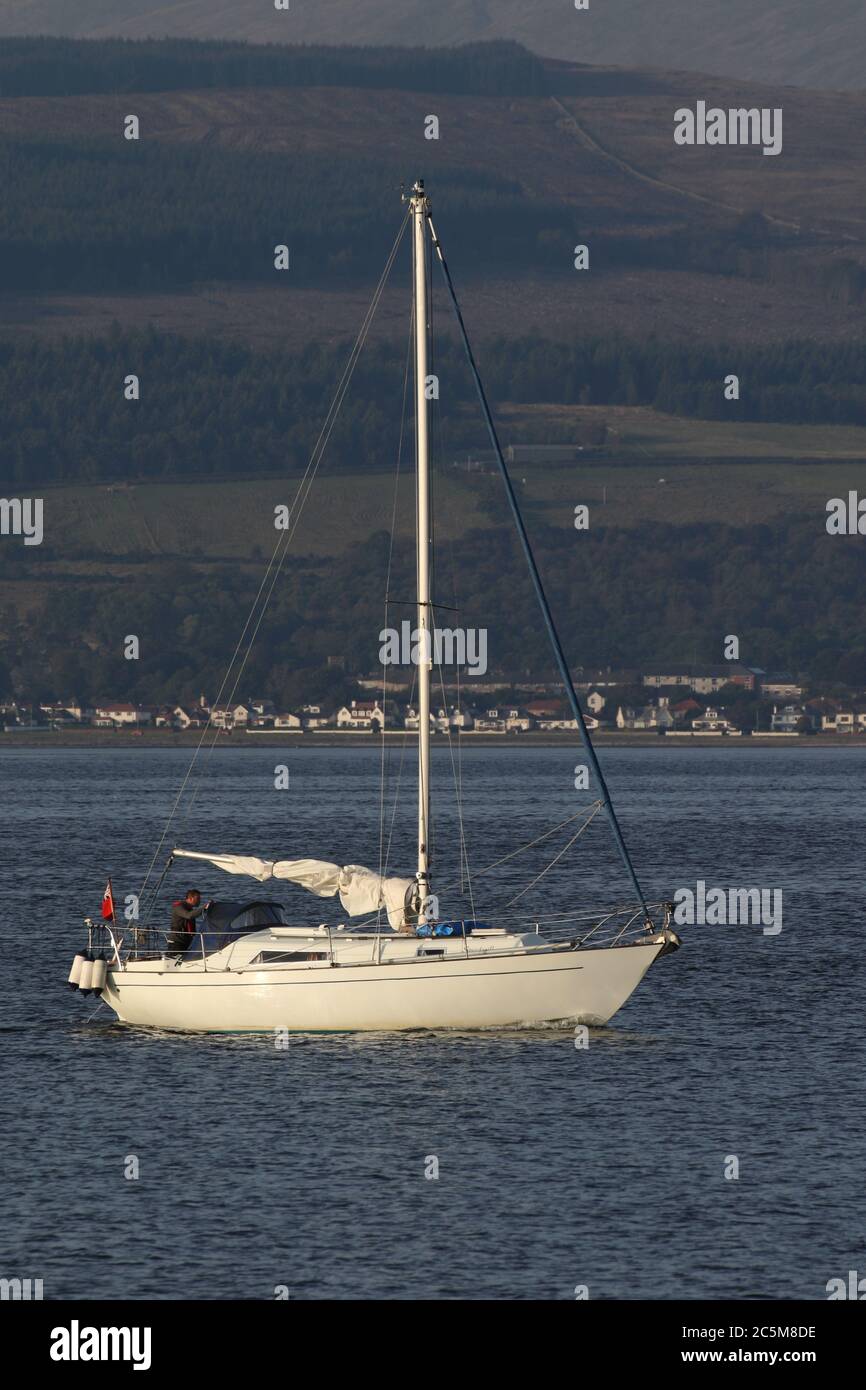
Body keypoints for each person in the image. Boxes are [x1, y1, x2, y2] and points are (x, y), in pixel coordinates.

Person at [166, 889, 212, 955]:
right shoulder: (179, 907)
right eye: (198, 899)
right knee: (174, 960)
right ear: (190, 898)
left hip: (187, 941)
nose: (199, 901)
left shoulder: (190, 908)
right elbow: (189, 915)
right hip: (177, 941)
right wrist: (203, 908)